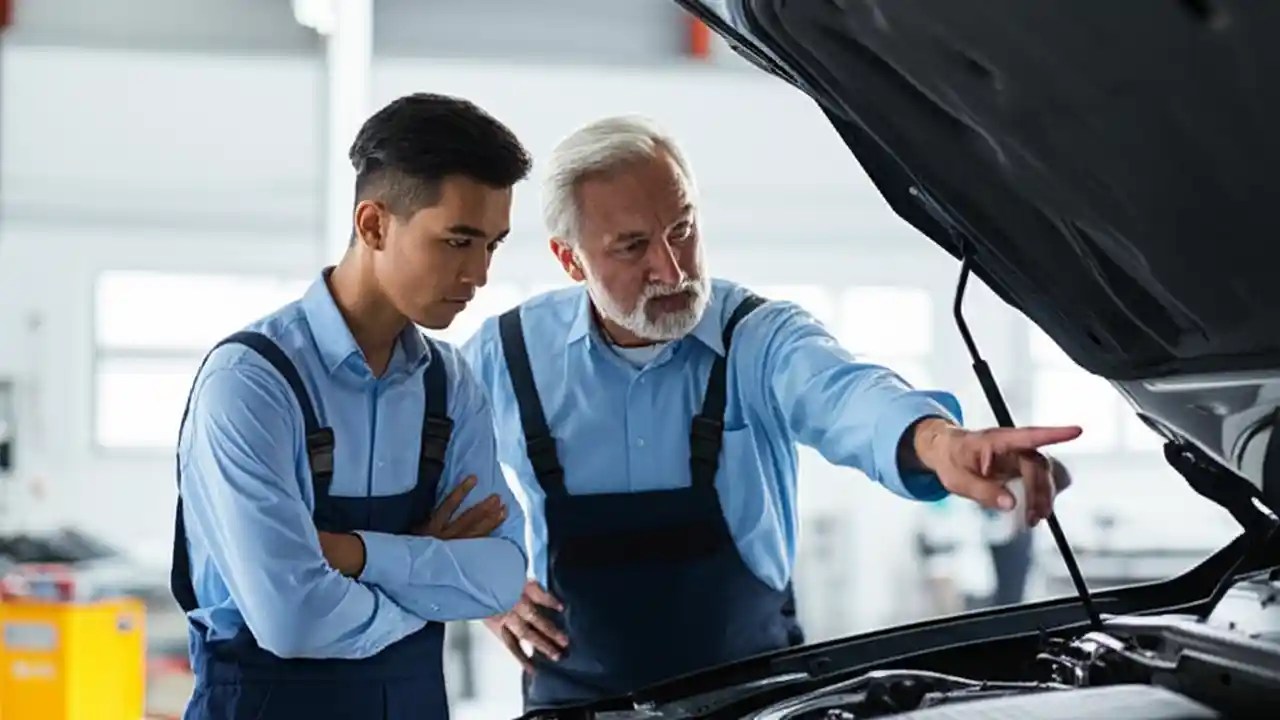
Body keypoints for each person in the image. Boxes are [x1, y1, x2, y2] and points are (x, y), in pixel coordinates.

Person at [460, 115, 1082, 711]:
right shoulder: (507, 358)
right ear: (571, 260)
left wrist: (939, 443)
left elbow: (847, 395)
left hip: (758, 699)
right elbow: (407, 467)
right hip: (579, 703)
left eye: (683, 230)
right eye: (633, 247)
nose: (673, 269)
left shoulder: (757, 339)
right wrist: (471, 571)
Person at [169, 93, 532, 720]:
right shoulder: (251, 386)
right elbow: (294, 621)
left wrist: (355, 554)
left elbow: (501, 577)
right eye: (457, 241)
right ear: (373, 225)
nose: (478, 274)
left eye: (493, 246)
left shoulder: (450, 386)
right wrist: (427, 571)